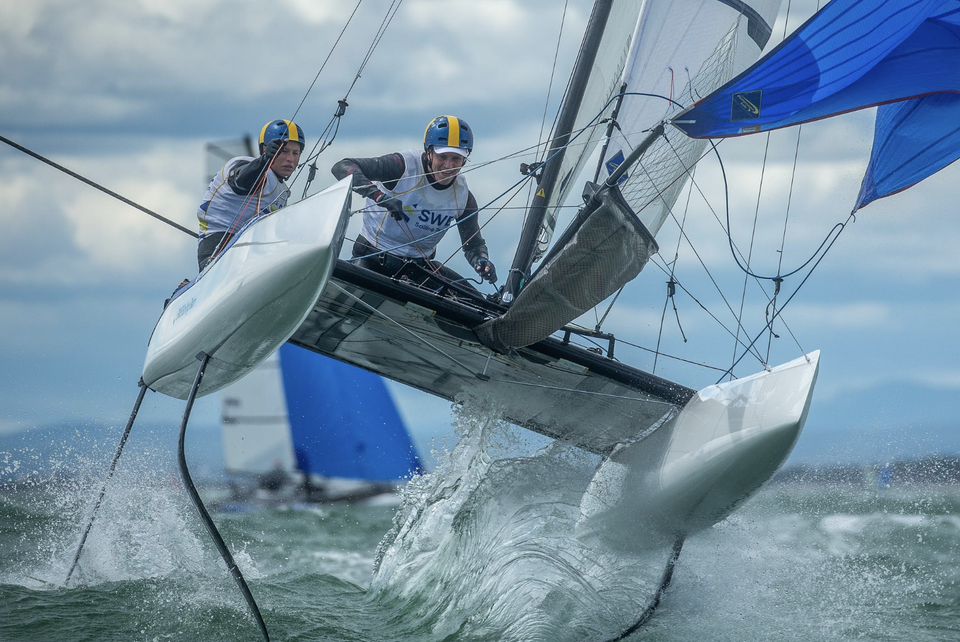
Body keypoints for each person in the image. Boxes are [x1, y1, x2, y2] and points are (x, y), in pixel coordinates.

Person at [331, 115, 497, 290]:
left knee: (479, 303)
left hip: (418, 270)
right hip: (372, 259)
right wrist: (379, 196)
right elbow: (342, 166)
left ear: (465, 159)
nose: (448, 165)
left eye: (456, 158)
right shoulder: (402, 166)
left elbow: (473, 244)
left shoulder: (463, 197)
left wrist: (481, 260)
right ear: (429, 152)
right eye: (443, 156)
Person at [196, 119, 304, 270]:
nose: (290, 159)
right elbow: (242, 182)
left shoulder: (282, 191)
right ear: (266, 149)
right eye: (284, 151)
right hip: (217, 242)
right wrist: (264, 160)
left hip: (251, 250)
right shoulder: (243, 165)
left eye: (296, 153)